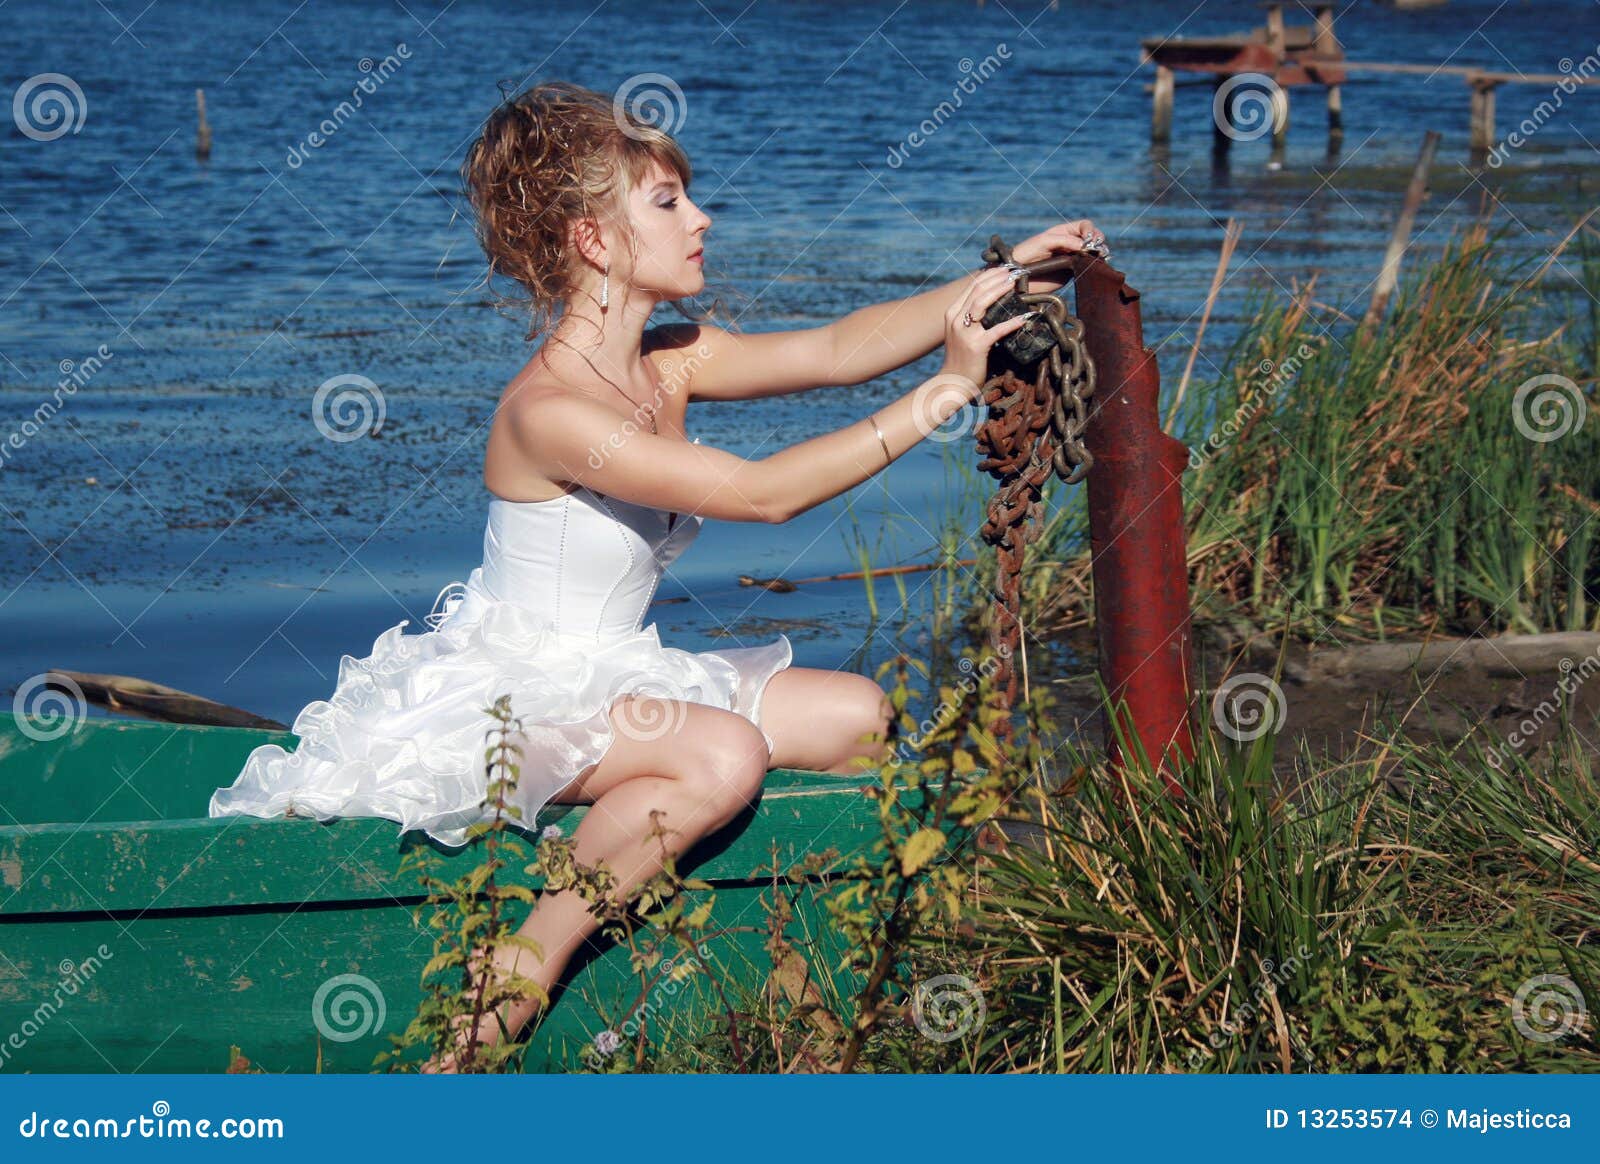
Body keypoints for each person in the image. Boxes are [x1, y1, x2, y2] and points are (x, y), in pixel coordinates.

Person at [206, 80, 1102, 1072]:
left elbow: (839, 349)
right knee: (722, 757)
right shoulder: (551, 412)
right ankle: (521, 968)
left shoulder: (666, 363)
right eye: (668, 202)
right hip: (512, 694)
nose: (702, 217)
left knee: (858, 715)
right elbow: (764, 496)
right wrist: (943, 393)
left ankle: (772, 962)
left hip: (613, 673)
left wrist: (1007, 273)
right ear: (593, 239)